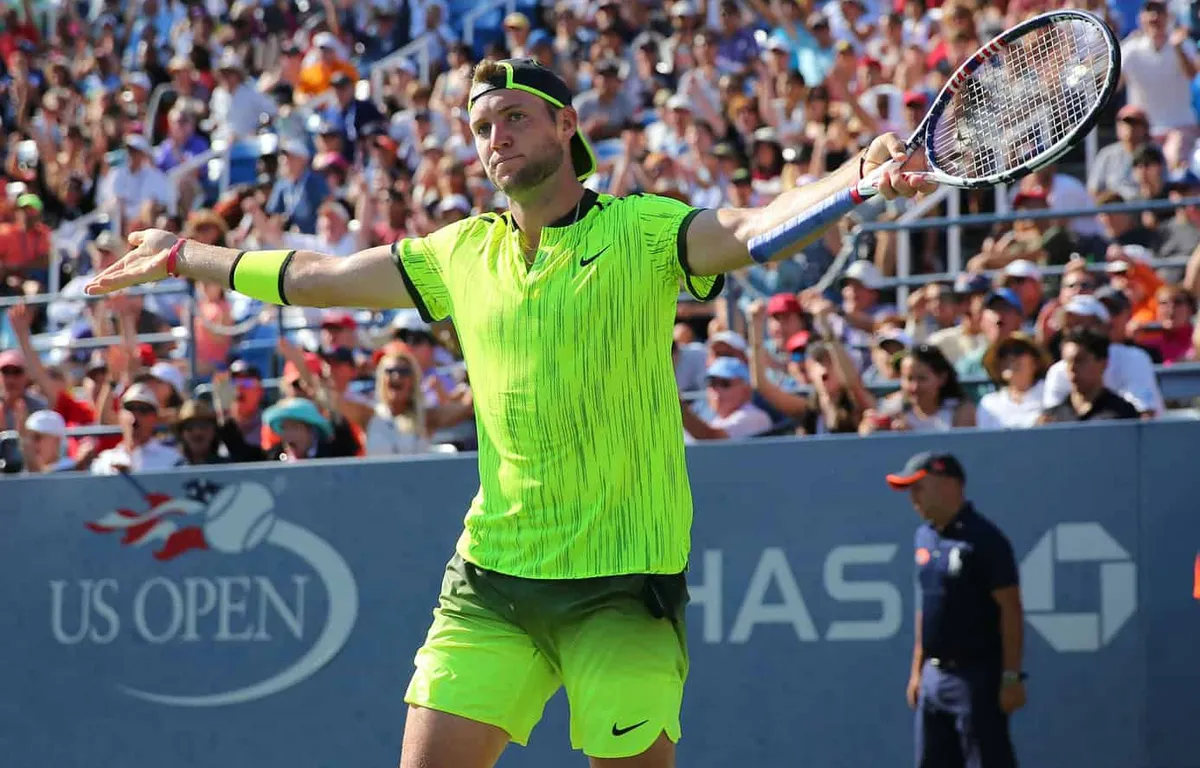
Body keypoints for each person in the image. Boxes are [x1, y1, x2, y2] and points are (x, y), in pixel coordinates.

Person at [84, 58, 933, 767]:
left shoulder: (642, 230)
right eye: (484, 126)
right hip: (494, 578)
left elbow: (750, 230)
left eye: (515, 118)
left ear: (567, 127)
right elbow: (318, 275)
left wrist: (851, 180)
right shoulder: (459, 253)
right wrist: (183, 255)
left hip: (622, 581)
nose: (496, 139)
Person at [886, 451, 1025, 768]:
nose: (913, 499)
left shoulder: (985, 540)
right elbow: (927, 606)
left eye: (918, 488)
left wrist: (1011, 676)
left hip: (976, 677)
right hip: (934, 678)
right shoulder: (924, 537)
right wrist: (917, 671)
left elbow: (1010, 609)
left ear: (949, 485)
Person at [1039, 329, 1142, 423]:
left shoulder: (1123, 414)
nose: (1072, 368)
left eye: (1079, 361)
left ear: (1103, 363)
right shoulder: (1051, 418)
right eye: (1067, 362)